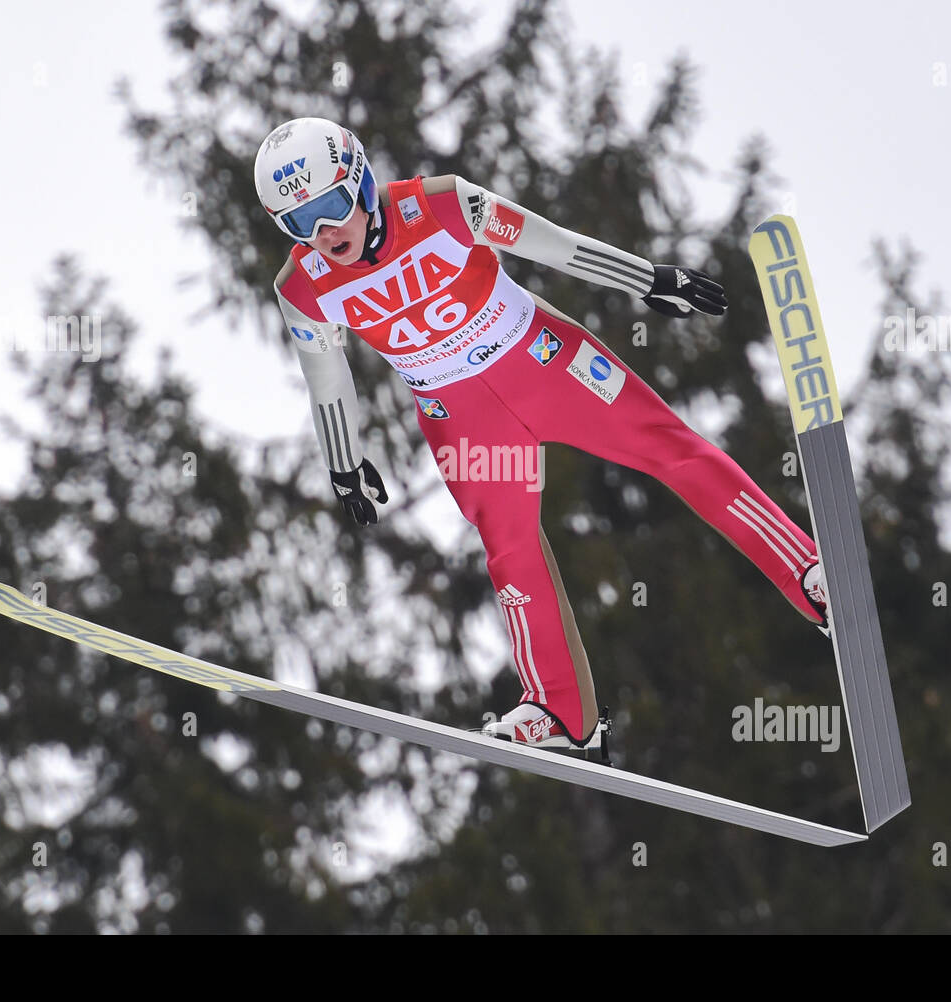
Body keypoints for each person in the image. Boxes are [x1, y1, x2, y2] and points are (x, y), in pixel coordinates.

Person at [256, 117, 829, 757]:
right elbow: (326, 380)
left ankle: (807, 571)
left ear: (359, 182)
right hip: (462, 415)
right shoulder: (302, 288)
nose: (324, 234)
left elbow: (551, 245)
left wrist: (648, 280)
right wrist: (344, 463)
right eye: (298, 223)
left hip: (543, 360)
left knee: (669, 447)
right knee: (510, 548)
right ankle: (560, 713)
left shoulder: (442, 204)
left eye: (331, 207)